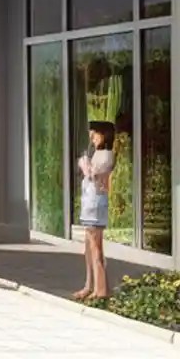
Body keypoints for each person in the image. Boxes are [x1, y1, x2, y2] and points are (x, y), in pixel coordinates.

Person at [75, 120, 116, 300]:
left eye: (95, 134)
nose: (92, 138)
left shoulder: (107, 155)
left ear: (105, 135)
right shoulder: (98, 154)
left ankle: (101, 290)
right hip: (89, 203)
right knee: (88, 247)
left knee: (96, 247)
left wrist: (86, 168)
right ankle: (89, 285)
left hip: (96, 204)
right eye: (91, 135)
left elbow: (97, 177)